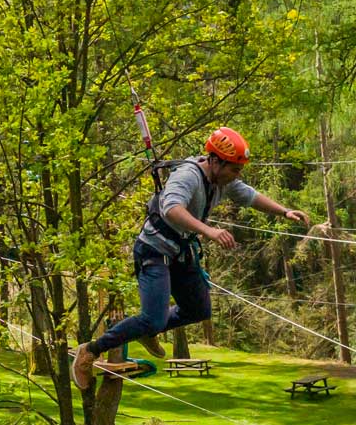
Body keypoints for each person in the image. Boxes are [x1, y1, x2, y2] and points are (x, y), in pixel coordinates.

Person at [71, 126, 310, 389]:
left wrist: (284, 212)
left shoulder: (223, 180)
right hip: (154, 251)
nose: (237, 176)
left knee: (198, 309)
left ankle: (150, 330)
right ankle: (90, 351)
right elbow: (171, 208)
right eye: (234, 170)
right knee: (153, 318)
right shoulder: (188, 176)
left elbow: (250, 196)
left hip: (180, 253)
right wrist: (209, 230)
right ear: (215, 161)